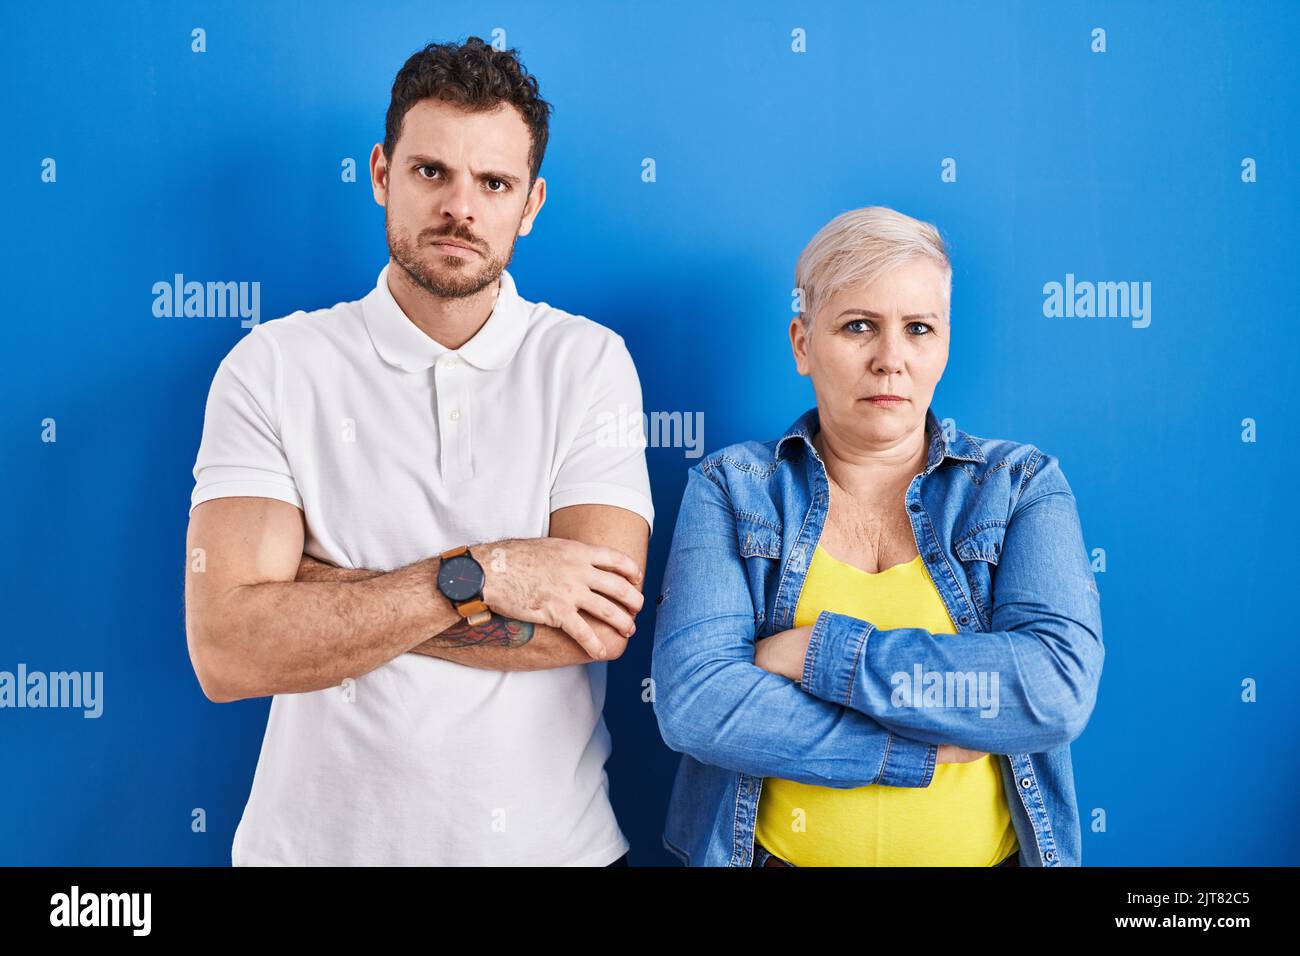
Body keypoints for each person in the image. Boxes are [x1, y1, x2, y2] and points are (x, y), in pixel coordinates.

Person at [184, 37, 654, 866]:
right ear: (380, 172)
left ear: (531, 203)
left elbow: (593, 624)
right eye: (432, 172)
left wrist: (318, 596)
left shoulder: (588, 363)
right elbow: (229, 649)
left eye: (494, 183)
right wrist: (486, 573)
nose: (460, 209)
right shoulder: (272, 365)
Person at [650, 206, 1103, 867]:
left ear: (944, 344)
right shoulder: (733, 486)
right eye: (858, 326)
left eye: (918, 328)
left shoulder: (1020, 485)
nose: (890, 359)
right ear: (803, 343)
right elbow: (697, 704)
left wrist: (819, 655)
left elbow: (1052, 690)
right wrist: (906, 753)